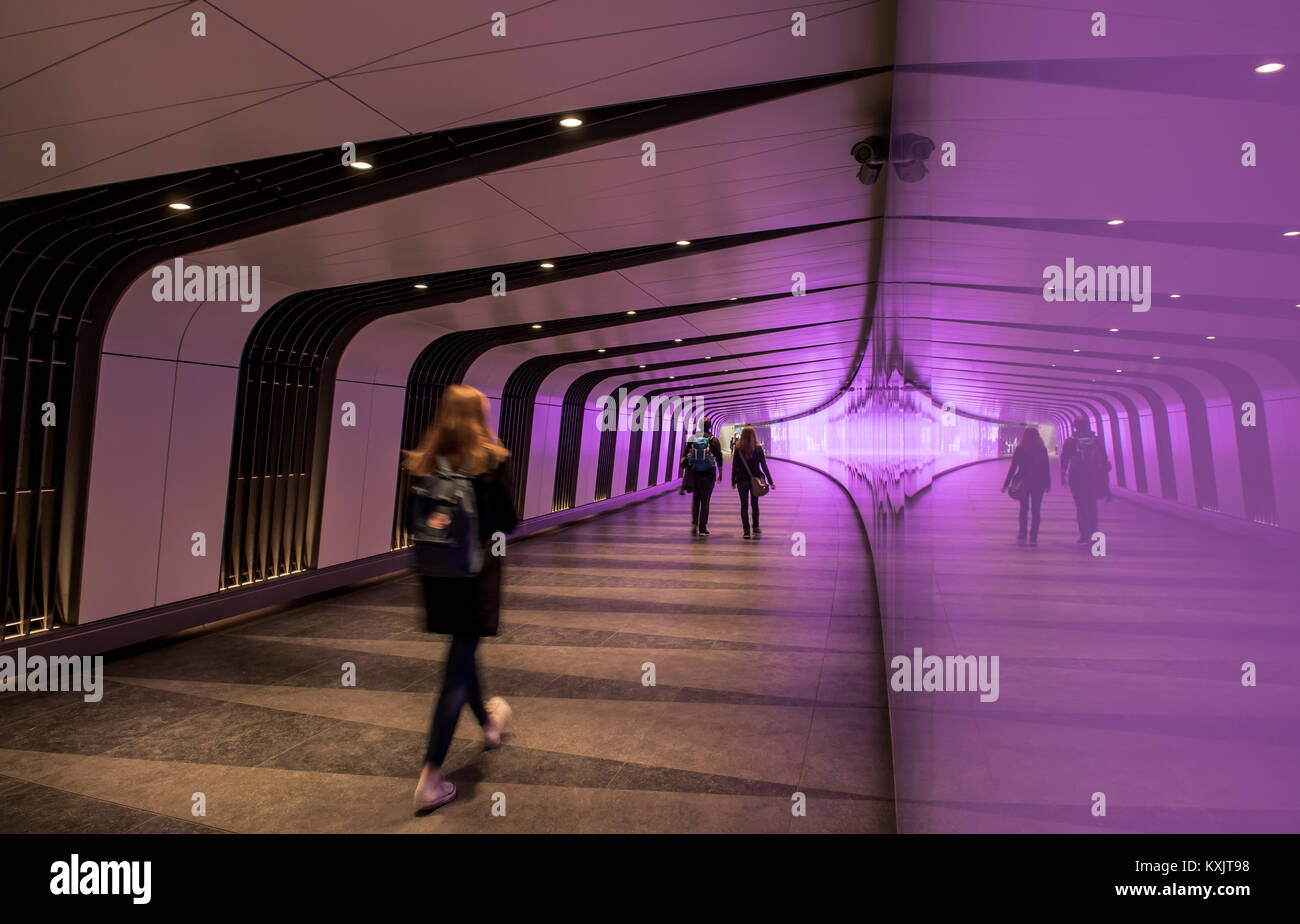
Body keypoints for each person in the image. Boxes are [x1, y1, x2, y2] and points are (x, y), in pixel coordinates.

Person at [406, 385, 519, 813]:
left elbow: (410, 523)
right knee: (455, 670)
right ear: (480, 417)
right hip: (476, 575)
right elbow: (508, 522)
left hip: (436, 577)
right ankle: (430, 776)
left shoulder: (422, 464)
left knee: (463, 653)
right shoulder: (490, 462)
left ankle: (490, 724)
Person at [1060, 415, 1112, 544]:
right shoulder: (1096, 440)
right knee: (1092, 504)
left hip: (1076, 477)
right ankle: (1094, 532)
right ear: (1088, 425)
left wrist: (1063, 476)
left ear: (1075, 426)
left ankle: (1084, 536)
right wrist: (1105, 480)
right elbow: (1104, 459)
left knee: (1080, 506)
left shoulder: (1071, 441)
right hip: (1094, 475)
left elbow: (1064, 459)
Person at [1000, 426, 1050, 545]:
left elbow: (1013, 468)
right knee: (1036, 510)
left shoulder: (1020, 449)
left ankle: (1022, 533)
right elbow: (1046, 468)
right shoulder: (1042, 449)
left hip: (1023, 482)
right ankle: (1033, 536)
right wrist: (1048, 484)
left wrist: (1006, 484)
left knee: (1024, 508)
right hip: (1038, 483)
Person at [679, 418, 723, 535]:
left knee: (696, 499)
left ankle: (694, 524)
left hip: (695, 473)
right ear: (710, 426)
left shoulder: (693, 439)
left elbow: (684, 456)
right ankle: (703, 528)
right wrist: (720, 474)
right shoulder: (714, 440)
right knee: (705, 501)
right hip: (709, 474)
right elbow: (719, 458)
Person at [731, 425, 775, 539]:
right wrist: (770, 481)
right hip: (756, 480)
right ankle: (756, 527)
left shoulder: (738, 448)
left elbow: (734, 466)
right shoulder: (758, 449)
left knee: (744, 506)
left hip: (741, 480)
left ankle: (746, 531)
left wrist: (733, 480)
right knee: (755, 504)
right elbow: (764, 466)